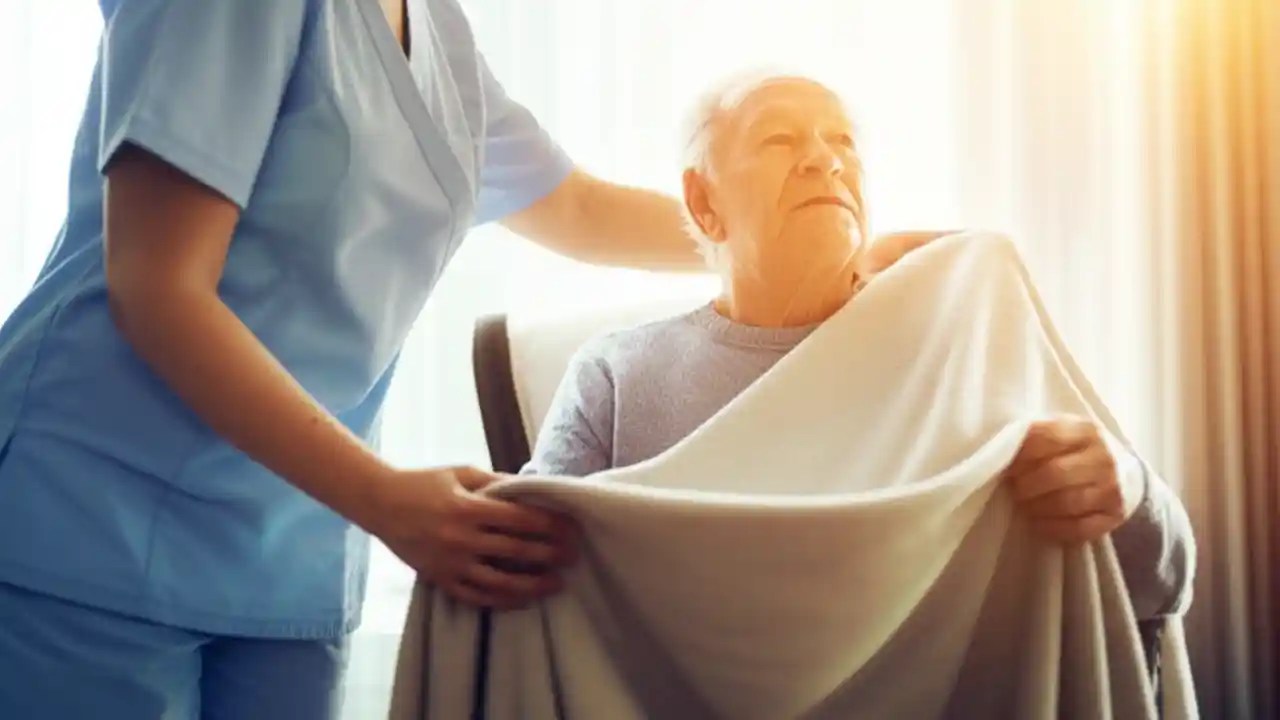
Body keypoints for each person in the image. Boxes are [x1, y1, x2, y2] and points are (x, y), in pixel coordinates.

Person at [0, 1, 750, 717]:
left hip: (294, 547)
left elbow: (576, 209)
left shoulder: (436, 32)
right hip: (97, 519)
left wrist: (766, 242)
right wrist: (386, 498)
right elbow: (157, 288)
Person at [523, 74, 1195, 626]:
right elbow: (523, 583)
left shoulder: (953, 345)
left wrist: (1128, 493)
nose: (826, 160)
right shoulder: (616, 376)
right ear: (703, 203)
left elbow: (1161, 585)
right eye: (779, 138)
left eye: (842, 140)